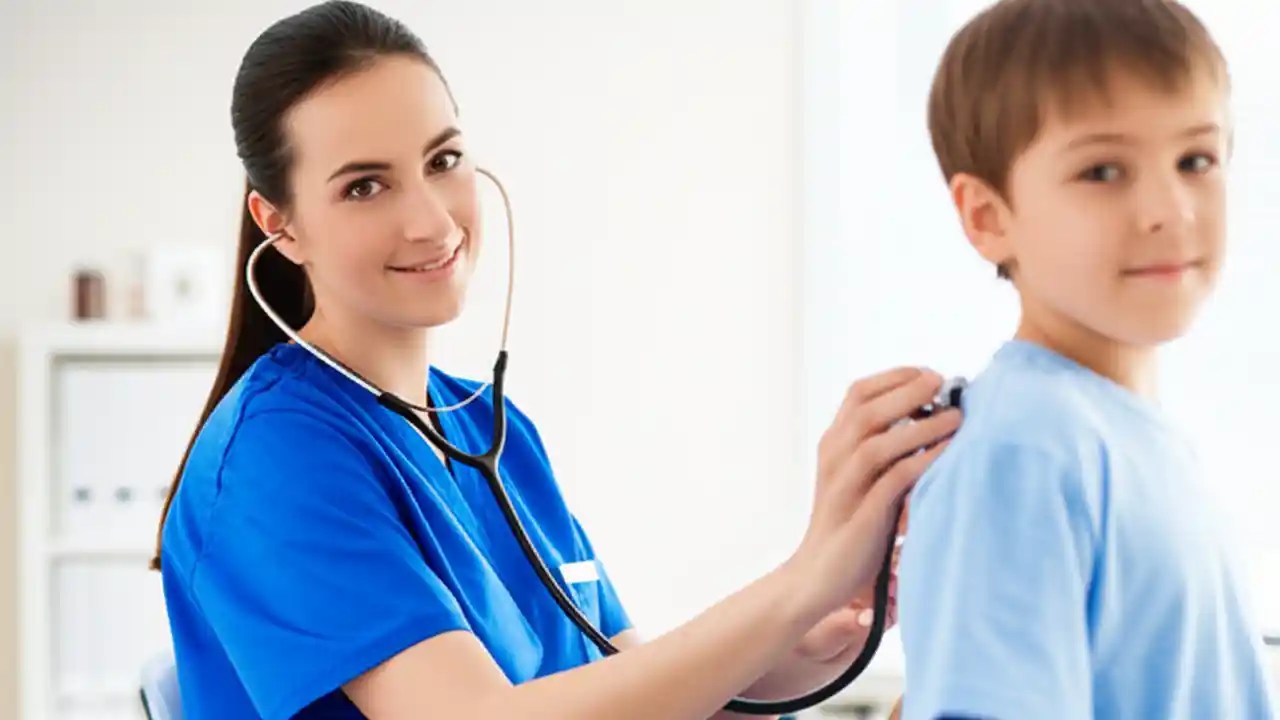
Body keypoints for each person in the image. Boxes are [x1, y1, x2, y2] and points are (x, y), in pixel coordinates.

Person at [152, 3, 961, 719]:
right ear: (281, 224)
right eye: (366, 186)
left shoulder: (493, 430)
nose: (432, 222)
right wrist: (799, 583)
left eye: (443, 161)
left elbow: (632, 692)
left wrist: (809, 637)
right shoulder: (271, 461)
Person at [895, 0, 1277, 718]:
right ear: (987, 217)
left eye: (1195, 160)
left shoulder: (1141, 447)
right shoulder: (1024, 453)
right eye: (1103, 171)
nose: (1170, 209)